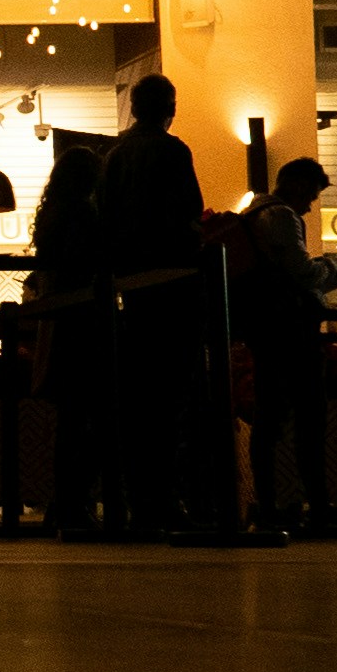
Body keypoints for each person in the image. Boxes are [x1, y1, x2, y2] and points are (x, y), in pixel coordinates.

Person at [95, 72, 212, 529]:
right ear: (169, 107)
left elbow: (105, 217)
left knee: (137, 399)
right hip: (171, 287)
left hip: (129, 288)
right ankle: (167, 496)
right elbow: (188, 211)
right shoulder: (171, 150)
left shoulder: (114, 154)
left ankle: (139, 496)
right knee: (173, 397)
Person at [240, 154, 337, 535]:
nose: (310, 204)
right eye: (311, 195)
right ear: (296, 184)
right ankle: (315, 506)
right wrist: (334, 266)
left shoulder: (255, 214)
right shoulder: (282, 216)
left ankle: (269, 504)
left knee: (269, 417)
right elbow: (303, 274)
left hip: (265, 327)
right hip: (289, 330)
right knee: (308, 416)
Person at [22, 140, 120, 536]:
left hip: (60, 325)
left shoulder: (52, 216)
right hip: (87, 324)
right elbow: (96, 263)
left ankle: (64, 502)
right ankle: (75, 501)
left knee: (71, 421)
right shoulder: (85, 214)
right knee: (100, 418)